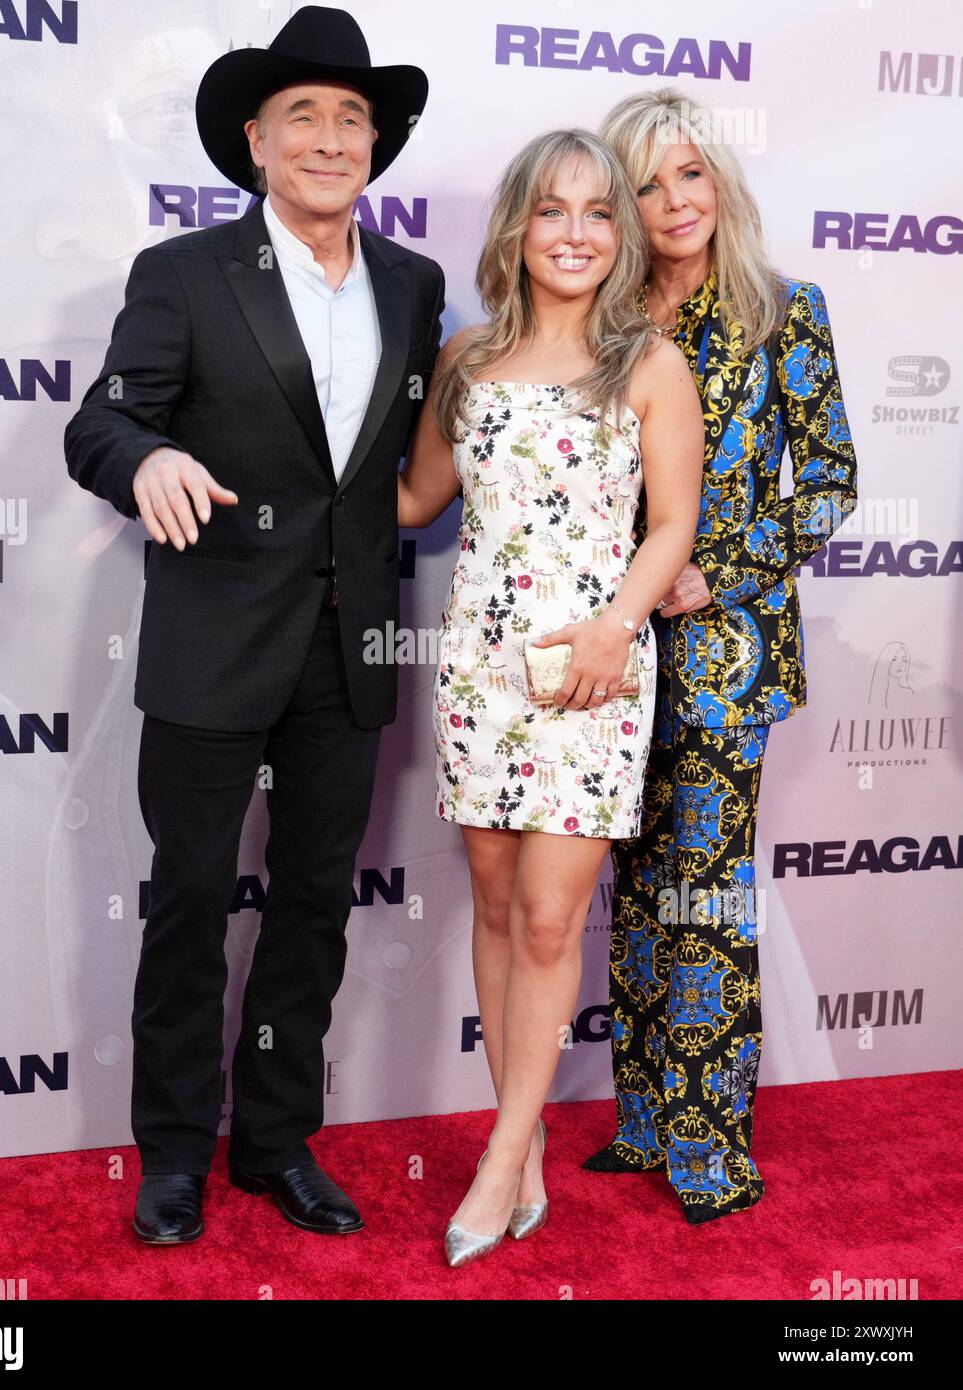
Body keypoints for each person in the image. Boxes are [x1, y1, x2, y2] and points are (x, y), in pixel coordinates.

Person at [64, 5, 444, 1244]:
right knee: (187, 902)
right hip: (213, 641)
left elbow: (400, 462)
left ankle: (275, 1141)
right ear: (255, 140)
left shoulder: (414, 284)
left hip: (349, 650)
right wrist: (146, 457)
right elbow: (101, 420)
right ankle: (175, 1150)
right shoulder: (182, 273)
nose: (330, 139)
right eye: (303, 117)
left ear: (374, 144)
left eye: (351, 119)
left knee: (313, 904)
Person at [398, 129, 704, 1266]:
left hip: (593, 669)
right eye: (550, 210)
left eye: (597, 213)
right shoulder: (467, 358)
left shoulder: (647, 363)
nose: (574, 234)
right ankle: (521, 1139)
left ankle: (498, 1154)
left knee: (545, 919)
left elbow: (672, 524)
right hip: (481, 670)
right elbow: (414, 501)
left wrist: (617, 627)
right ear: (517, 227)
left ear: (619, 235)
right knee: (491, 905)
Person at [582, 88, 858, 1222]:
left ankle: (708, 1146)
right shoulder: (601, 321)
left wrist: (723, 565)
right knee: (636, 889)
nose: (672, 200)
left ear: (718, 180)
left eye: (688, 173)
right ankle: (644, 1120)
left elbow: (830, 482)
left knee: (703, 895)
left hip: (722, 654)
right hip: (610, 647)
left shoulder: (782, 309)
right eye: (646, 183)